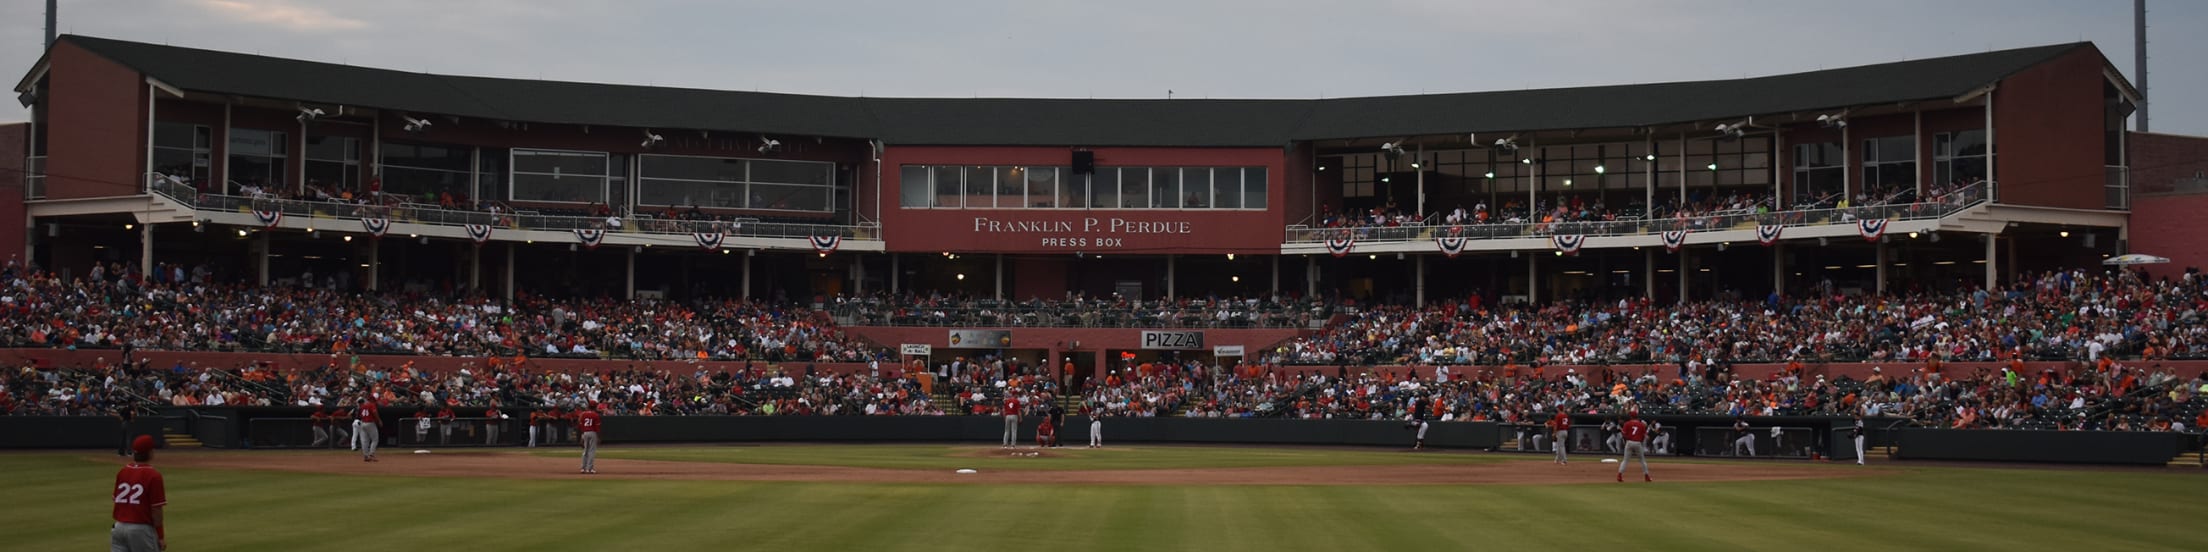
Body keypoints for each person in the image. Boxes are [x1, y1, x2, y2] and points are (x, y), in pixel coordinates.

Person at [111, 435, 166, 552]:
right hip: (140, 530)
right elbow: (156, 510)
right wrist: (160, 535)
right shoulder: (153, 475)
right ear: (150, 453)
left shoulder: (122, 472)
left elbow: (116, 500)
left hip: (118, 528)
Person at [1616, 411, 1652, 482]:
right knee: (1642, 460)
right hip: (1638, 443)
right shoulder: (1641, 424)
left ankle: (1619, 475)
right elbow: (1645, 436)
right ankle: (1646, 476)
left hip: (1629, 442)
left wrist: (1627, 439)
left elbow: (1624, 434)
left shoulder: (1627, 423)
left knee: (1625, 460)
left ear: (1631, 417)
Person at [576, 402, 603, 474]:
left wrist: (581, 436)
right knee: (591, 451)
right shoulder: (595, 415)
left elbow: (580, 425)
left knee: (585, 451)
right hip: (592, 433)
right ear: (595, 407)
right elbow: (597, 427)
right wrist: (599, 437)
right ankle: (589, 468)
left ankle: (583, 468)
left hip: (585, 432)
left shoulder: (583, 414)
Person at [355, 393, 381, 462]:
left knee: (365, 441)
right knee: (375, 439)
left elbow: (359, 416)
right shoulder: (371, 405)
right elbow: (375, 413)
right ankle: (371, 454)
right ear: (372, 400)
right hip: (370, 423)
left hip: (363, 423)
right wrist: (379, 421)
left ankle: (366, 456)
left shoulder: (362, 406)